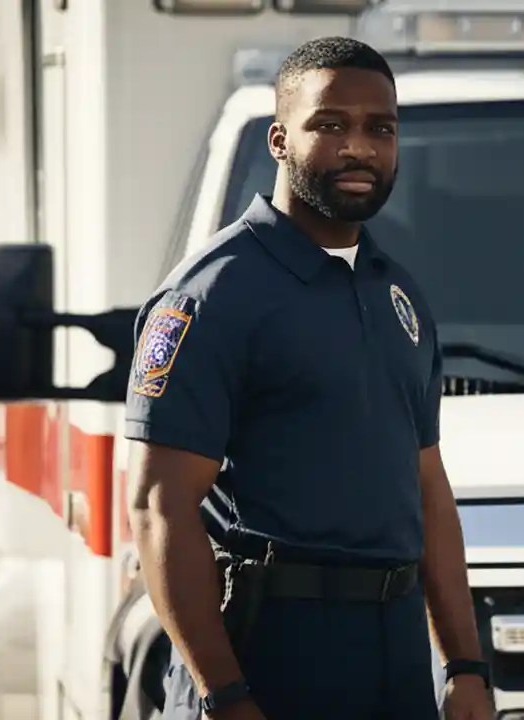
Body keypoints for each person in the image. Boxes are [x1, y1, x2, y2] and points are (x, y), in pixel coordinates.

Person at [124, 37, 493, 720]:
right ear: (278, 139)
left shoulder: (398, 295)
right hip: (270, 656)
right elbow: (158, 507)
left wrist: (466, 665)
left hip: (396, 660)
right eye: (330, 124)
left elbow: (427, 490)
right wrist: (225, 695)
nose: (359, 147)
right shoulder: (212, 295)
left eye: (380, 128)